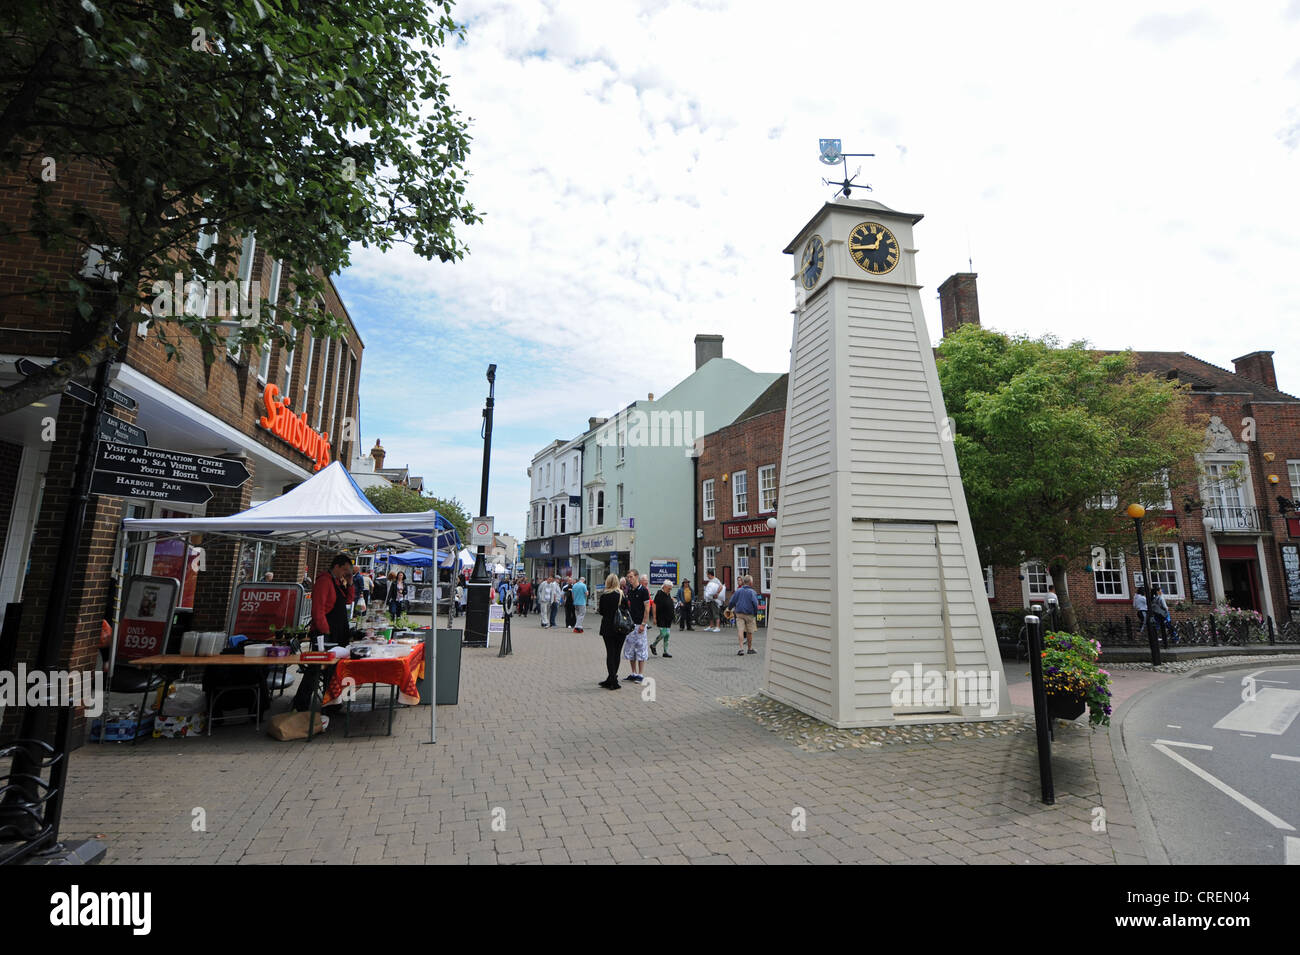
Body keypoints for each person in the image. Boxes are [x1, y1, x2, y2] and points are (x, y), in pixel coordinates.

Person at [292, 553, 355, 713]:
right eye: (345, 570)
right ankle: (301, 704)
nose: (346, 574)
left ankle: (332, 702)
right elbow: (317, 610)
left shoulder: (337, 582)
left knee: (332, 671)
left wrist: (350, 582)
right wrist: (325, 631)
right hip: (324, 636)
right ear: (337, 566)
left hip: (336, 634)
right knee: (315, 670)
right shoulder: (324, 581)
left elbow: (348, 601)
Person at [597, 574, 625, 690]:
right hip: (620, 628)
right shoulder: (621, 595)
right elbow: (627, 610)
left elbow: (601, 611)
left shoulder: (604, 596)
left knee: (610, 653)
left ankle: (612, 679)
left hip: (608, 628)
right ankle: (612, 678)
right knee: (617, 653)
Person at [622, 570, 650, 683]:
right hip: (631, 624)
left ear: (637, 577)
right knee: (631, 649)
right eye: (628, 577)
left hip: (640, 624)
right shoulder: (630, 591)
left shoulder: (643, 590)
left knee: (641, 648)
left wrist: (643, 623)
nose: (630, 579)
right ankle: (633, 672)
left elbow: (647, 608)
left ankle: (640, 674)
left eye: (631, 577)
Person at [727, 575, 760, 656]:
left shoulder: (738, 591)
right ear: (750, 582)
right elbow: (755, 604)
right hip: (749, 614)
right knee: (749, 632)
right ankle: (749, 649)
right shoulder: (752, 592)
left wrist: (729, 608)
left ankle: (741, 649)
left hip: (739, 613)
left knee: (740, 630)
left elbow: (732, 601)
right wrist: (755, 613)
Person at [649, 581, 675, 658]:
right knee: (663, 634)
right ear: (664, 587)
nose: (670, 590)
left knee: (667, 634)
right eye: (669, 588)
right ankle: (653, 645)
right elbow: (654, 605)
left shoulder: (668, 594)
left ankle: (665, 652)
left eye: (671, 589)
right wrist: (654, 617)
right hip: (661, 617)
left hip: (668, 618)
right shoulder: (659, 593)